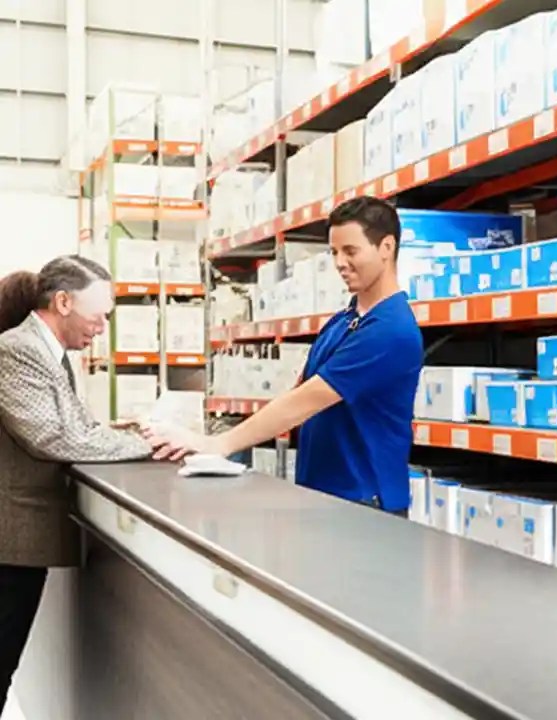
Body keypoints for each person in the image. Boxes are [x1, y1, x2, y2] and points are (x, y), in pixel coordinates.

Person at [151, 196, 424, 515]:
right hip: (328, 495)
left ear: (387, 248)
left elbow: (307, 400)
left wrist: (219, 445)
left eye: (351, 251)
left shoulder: (391, 330)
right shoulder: (344, 320)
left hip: (365, 502)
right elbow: (298, 393)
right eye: (334, 252)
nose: (339, 263)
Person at [0, 256, 161, 714]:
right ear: (64, 301)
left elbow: (72, 424)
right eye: (101, 313)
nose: (103, 327)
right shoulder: (18, 349)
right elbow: (53, 436)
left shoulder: (49, 354)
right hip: (9, 540)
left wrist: (126, 431)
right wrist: (146, 447)